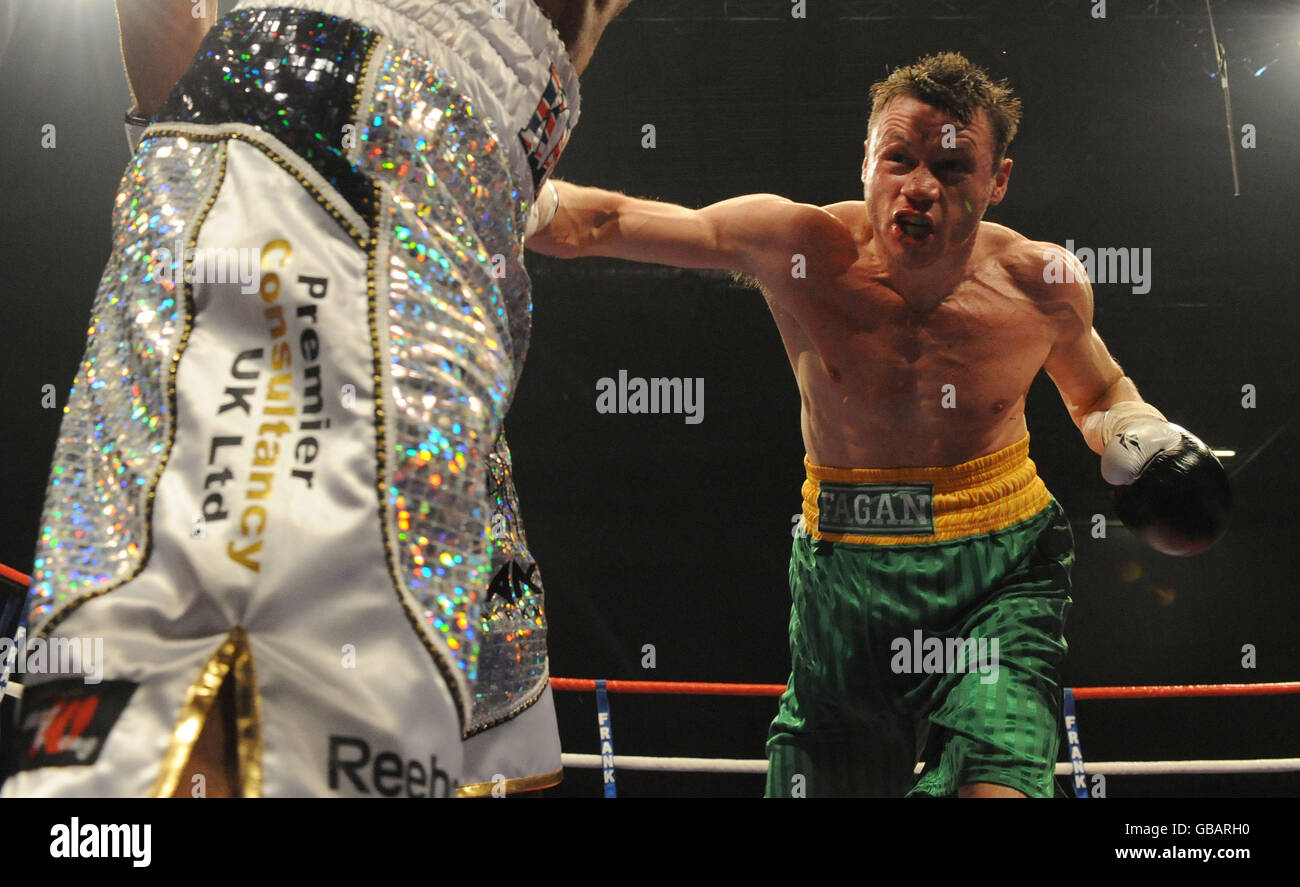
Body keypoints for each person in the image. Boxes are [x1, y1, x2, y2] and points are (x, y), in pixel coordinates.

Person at [524, 51, 1229, 797]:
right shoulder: (801, 249)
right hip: (846, 569)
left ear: (999, 181)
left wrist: (1140, 436)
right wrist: (504, 187)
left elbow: (1100, 393)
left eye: (953, 167)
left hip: (1001, 568)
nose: (919, 187)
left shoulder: (1040, 283)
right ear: (866, 159)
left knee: (1000, 787)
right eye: (899, 158)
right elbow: (605, 220)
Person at [2, 0, 629, 798]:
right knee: (199, 718)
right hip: (323, 142)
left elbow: (591, 220)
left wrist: (193, 149)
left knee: (469, 719)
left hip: (403, 194)